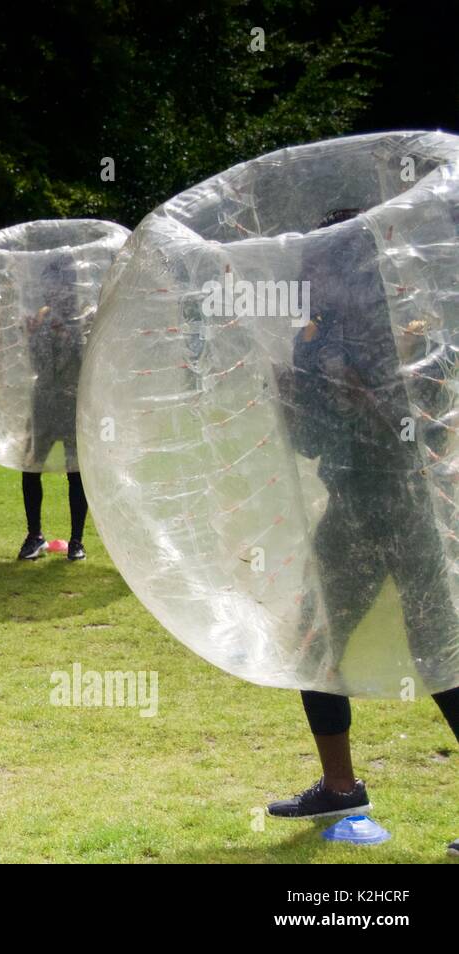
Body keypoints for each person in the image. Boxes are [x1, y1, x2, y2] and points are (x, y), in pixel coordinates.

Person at [266, 208, 459, 857]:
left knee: (440, 654)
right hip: (352, 504)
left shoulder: (412, 330)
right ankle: (341, 787)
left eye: (318, 259)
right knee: (313, 639)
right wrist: (290, 401)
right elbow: (315, 444)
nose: (306, 272)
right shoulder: (313, 337)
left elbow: (429, 432)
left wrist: (363, 399)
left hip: (407, 503)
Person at [18, 258, 90, 562]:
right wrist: (32, 336)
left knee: (76, 472)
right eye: (48, 285)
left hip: (73, 403)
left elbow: (90, 359)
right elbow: (37, 365)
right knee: (31, 466)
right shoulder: (42, 318)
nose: (51, 291)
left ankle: (76, 541)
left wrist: (69, 337)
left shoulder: (86, 317)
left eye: (56, 284)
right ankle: (34, 536)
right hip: (44, 400)